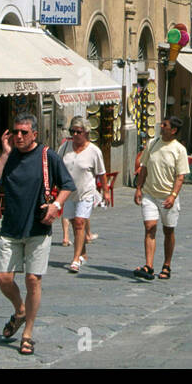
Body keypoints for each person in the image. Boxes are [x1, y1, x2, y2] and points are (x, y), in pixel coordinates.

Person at [0, 113, 74, 355]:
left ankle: (27, 333)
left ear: (35, 133)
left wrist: (56, 206)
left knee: (33, 280)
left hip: (38, 228)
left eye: (24, 132)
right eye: (15, 132)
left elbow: (68, 185)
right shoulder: (9, 157)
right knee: (4, 278)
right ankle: (20, 310)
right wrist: (4, 153)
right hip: (11, 228)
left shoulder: (48, 156)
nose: (19, 136)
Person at [133, 116, 189, 281]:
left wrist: (173, 196)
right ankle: (149, 266)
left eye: (165, 125)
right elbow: (143, 167)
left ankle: (167, 264)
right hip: (149, 193)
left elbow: (180, 176)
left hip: (167, 196)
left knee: (168, 230)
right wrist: (138, 188)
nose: (161, 126)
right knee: (150, 227)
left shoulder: (179, 149)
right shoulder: (152, 144)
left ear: (173, 130)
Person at [59, 116, 106, 274]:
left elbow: (101, 173)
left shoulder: (94, 151)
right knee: (74, 223)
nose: (75, 135)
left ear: (86, 132)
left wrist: (105, 191)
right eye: (72, 131)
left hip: (86, 192)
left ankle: (75, 259)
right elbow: (57, 166)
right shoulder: (65, 148)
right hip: (68, 193)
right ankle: (83, 253)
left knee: (79, 222)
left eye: (78, 132)